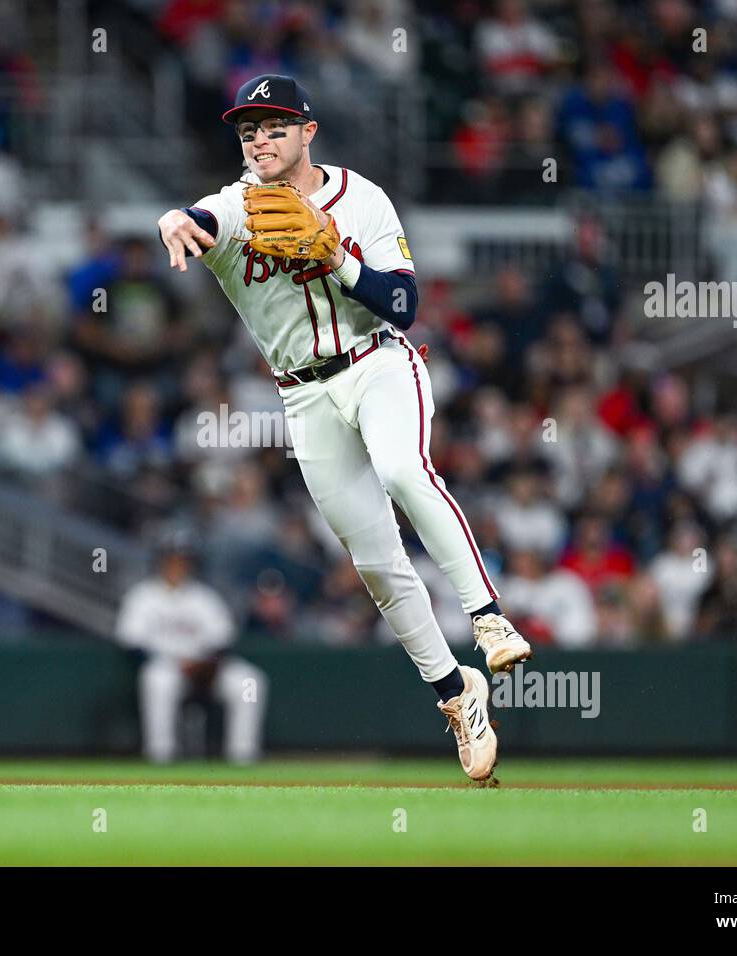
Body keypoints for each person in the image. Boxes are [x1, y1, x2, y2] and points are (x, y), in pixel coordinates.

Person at [155, 74, 531, 783]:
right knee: (375, 564)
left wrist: (337, 257)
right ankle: (456, 695)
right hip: (302, 396)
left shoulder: (363, 199)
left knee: (401, 470)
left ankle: (487, 618)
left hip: (377, 363)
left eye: (274, 126)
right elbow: (197, 219)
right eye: (248, 130)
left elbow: (405, 302)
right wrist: (175, 220)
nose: (259, 140)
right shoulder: (237, 205)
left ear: (308, 131)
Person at [115, 536, 267, 765]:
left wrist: (205, 664)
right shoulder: (143, 596)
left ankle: (243, 755)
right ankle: (161, 754)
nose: (177, 566)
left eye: (182, 561)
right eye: (172, 560)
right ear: (161, 562)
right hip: (166, 666)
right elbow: (131, 641)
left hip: (207, 667)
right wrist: (176, 663)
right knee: (157, 680)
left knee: (250, 681)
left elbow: (224, 640)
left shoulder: (203, 597)